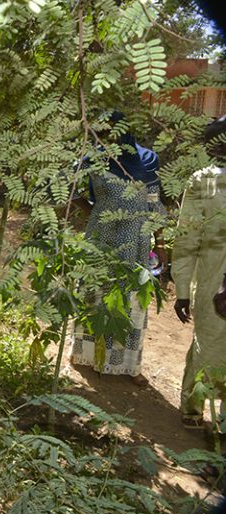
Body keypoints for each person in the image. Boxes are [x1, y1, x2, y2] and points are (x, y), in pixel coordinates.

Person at [69, 111, 166, 385]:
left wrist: (160, 243)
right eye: (103, 131)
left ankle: (127, 365)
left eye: (112, 131)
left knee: (131, 299)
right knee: (95, 295)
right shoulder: (93, 158)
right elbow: (71, 190)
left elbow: (154, 202)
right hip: (101, 240)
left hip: (135, 243)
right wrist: (94, 211)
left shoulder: (148, 159)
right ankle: (89, 357)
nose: (108, 137)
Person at [172, 115, 226, 430]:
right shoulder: (202, 181)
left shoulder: (202, 180)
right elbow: (187, 239)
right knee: (209, 345)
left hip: (211, 282)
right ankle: (198, 410)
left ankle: (198, 412)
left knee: (207, 343)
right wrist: (181, 290)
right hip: (212, 281)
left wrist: (182, 291)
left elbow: (187, 240)